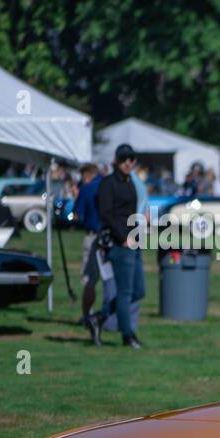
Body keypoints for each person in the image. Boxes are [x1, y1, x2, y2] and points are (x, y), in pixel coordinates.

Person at [86, 143, 146, 349]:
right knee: (125, 292)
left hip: (134, 240)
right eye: (124, 159)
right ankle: (127, 335)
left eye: (131, 159)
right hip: (120, 242)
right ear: (117, 161)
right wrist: (122, 237)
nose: (128, 163)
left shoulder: (130, 182)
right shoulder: (108, 183)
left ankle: (99, 318)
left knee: (139, 290)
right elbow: (106, 214)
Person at [73, 164, 103, 323]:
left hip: (93, 236)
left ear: (86, 176)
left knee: (90, 279)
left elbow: (77, 215)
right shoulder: (108, 184)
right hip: (113, 235)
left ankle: (87, 316)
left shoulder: (87, 188)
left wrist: (76, 195)